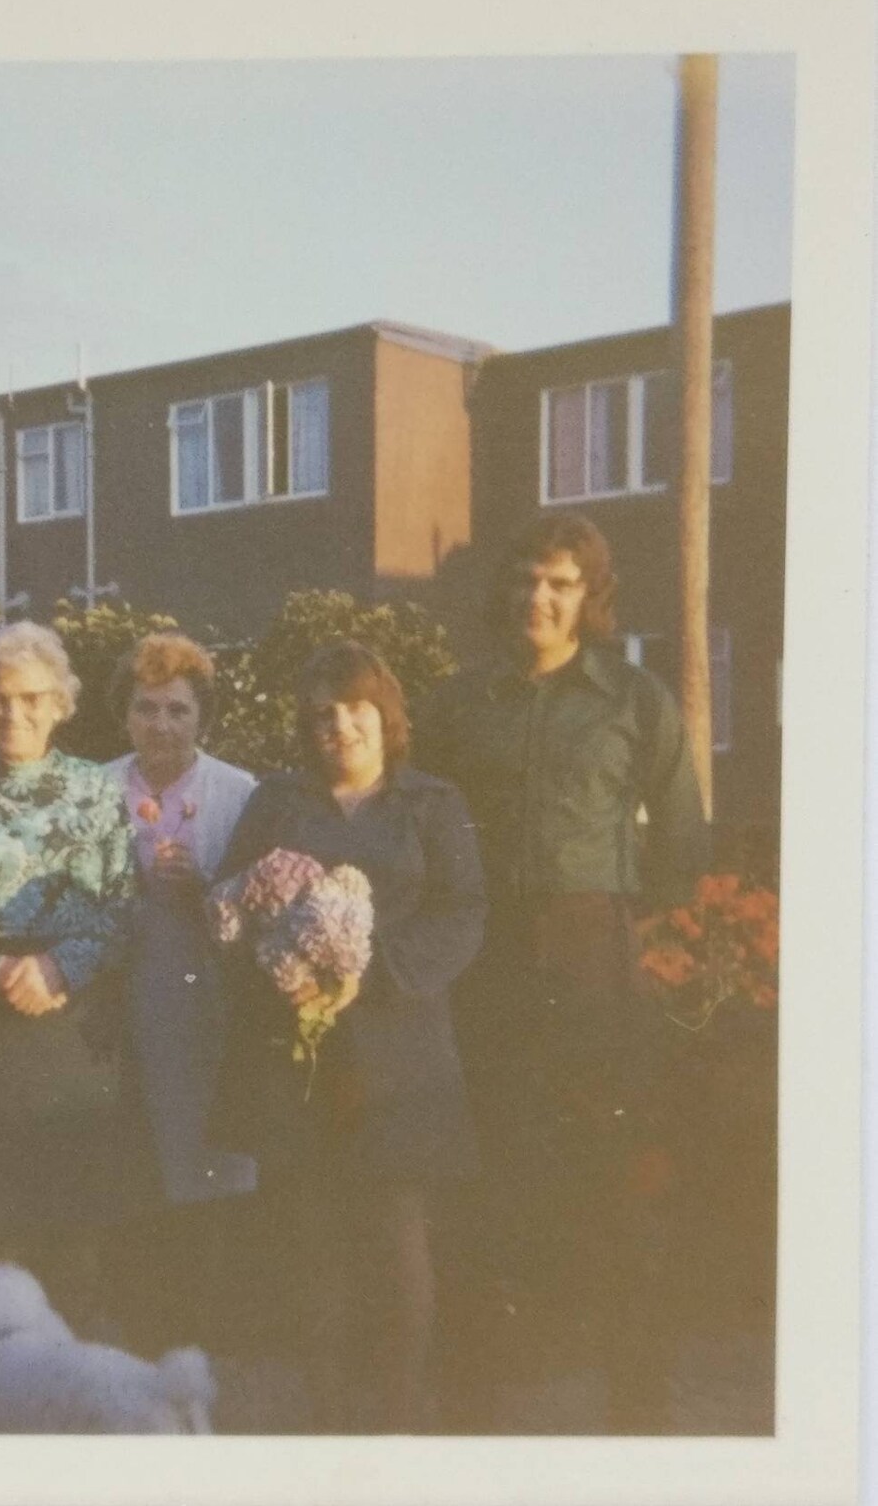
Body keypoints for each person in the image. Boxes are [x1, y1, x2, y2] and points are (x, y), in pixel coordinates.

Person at [417, 513, 709, 1433]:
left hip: (590, 956)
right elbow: (419, 827)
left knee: (613, 1170)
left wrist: (614, 925)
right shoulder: (459, 704)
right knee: (484, 1168)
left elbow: (683, 846)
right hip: (484, 959)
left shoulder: (633, 698)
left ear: (590, 594)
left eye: (562, 582)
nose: (539, 597)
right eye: (527, 578)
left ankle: (637, 1395)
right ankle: (477, 1394)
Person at [209, 640, 486, 1432]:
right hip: (302, 1057)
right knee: (315, 1242)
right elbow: (232, 901)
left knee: (401, 1246)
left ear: (386, 715)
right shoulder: (277, 802)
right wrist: (276, 964)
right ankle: (326, 1421)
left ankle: (398, 1418)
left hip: (402, 1056)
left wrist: (380, 973)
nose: (342, 726)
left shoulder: (432, 802)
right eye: (323, 713)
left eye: (357, 708)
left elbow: (464, 911)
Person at [0, 621, 136, 1324]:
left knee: (74, 1207)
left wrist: (59, 966)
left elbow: (120, 906)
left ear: (59, 704)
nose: (13, 713)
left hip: (73, 1020)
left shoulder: (97, 788)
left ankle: (75, 1372)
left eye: (30, 698)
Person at [102, 632, 257, 1350]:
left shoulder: (238, 791)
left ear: (203, 717)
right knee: (133, 1156)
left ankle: (209, 1334)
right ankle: (140, 1326)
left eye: (177, 710)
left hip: (206, 1001)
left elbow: (258, 903)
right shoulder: (98, 788)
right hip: (121, 996)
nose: (161, 724)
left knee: (207, 1158)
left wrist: (205, 889)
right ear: (124, 715)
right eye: (146, 708)